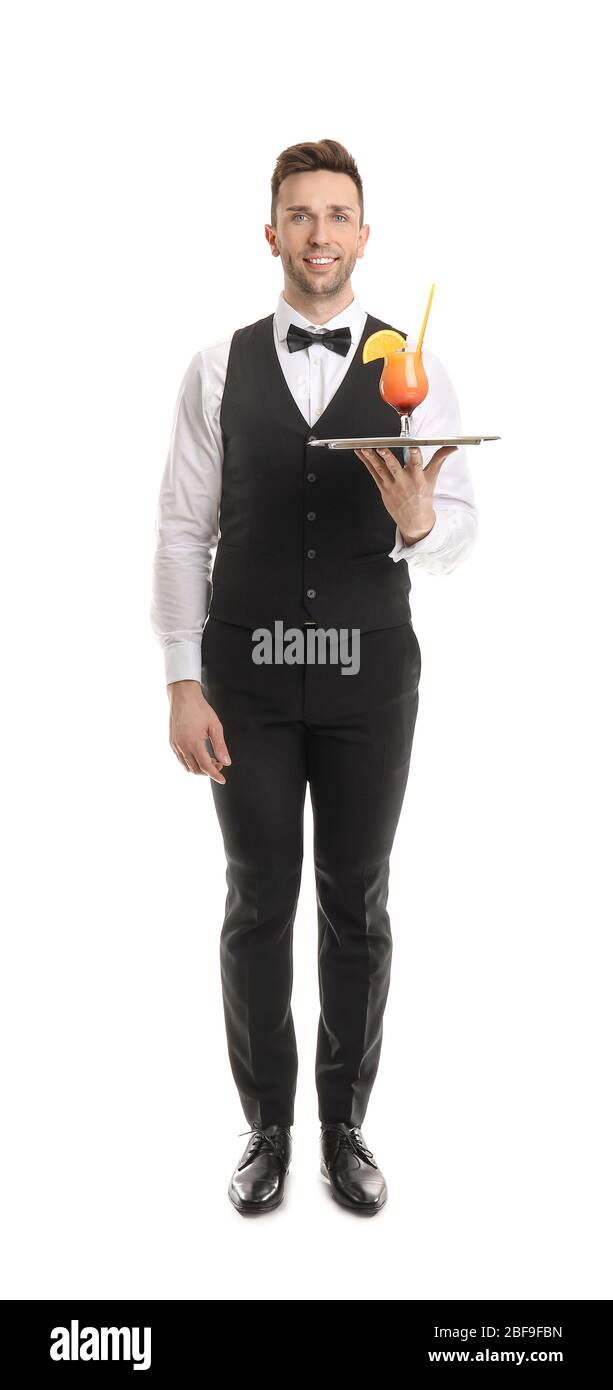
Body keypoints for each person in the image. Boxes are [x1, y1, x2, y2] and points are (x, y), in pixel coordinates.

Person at [150, 139, 478, 1217]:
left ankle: (345, 1125)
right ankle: (265, 1128)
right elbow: (181, 528)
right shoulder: (216, 363)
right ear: (272, 232)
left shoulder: (410, 366)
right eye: (301, 215)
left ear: (363, 236)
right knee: (256, 902)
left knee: (357, 900)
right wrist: (180, 680)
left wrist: (419, 522)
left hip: (367, 677)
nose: (320, 234)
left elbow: (458, 525)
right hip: (241, 679)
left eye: (338, 215)